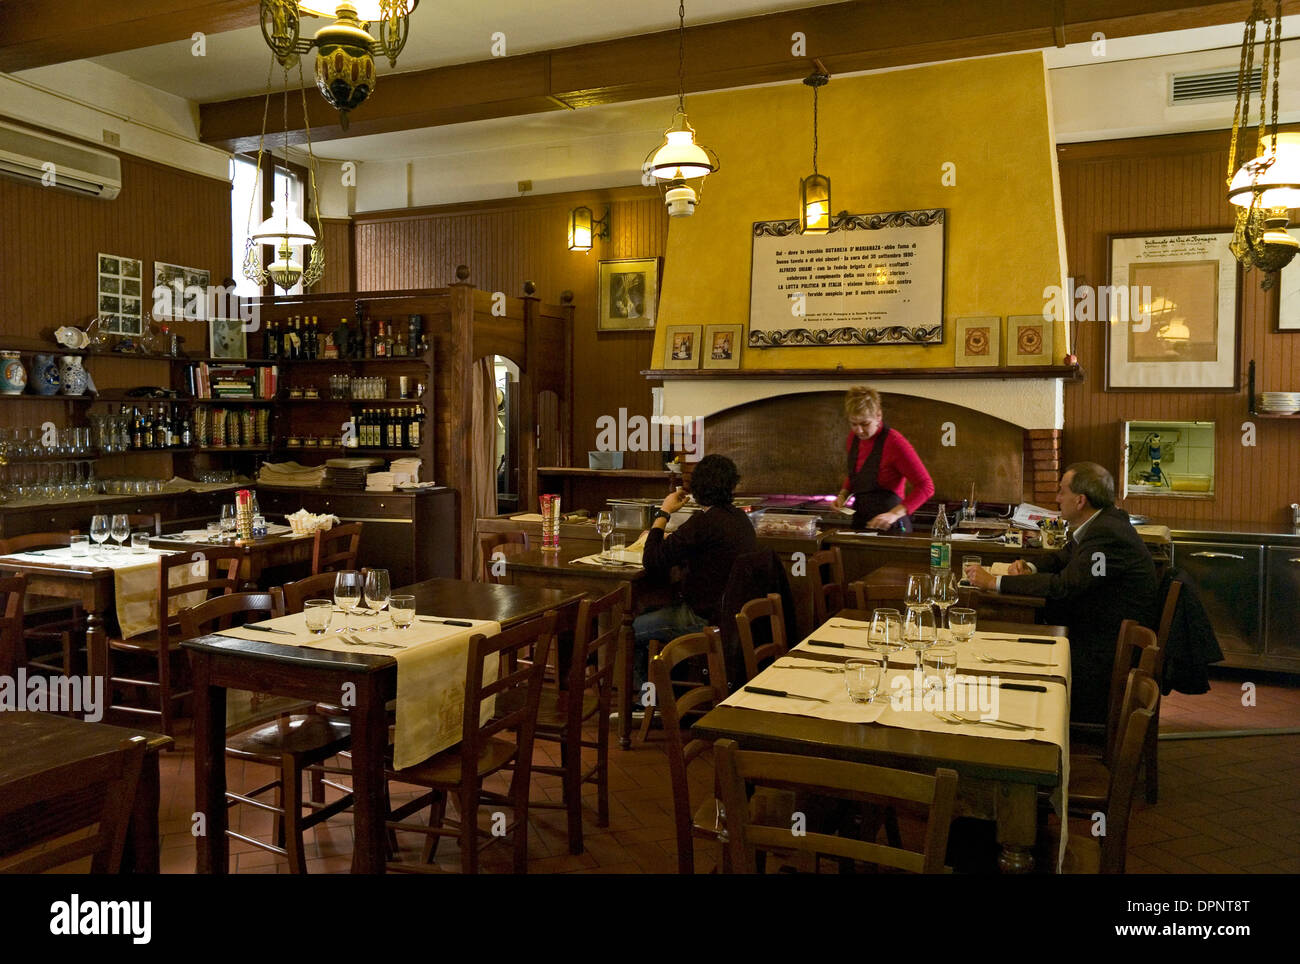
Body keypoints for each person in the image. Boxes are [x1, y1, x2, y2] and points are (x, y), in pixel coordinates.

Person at [964, 462, 1158, 723]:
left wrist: (994, 583)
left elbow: (1064, 586)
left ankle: (1026, 725)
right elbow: (1063, 558)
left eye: (1061, 491)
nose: (1057, 499)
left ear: (1080, 501)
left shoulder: (1107, 534)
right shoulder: (1101, 523)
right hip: (1096, 631)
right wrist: (1029, 565)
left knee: (1017, 656)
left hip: (1102, 649)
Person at [632, 453, 757, 697]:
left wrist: (664, 512)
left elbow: (653, 560)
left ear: (697, 487)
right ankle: (667, 695)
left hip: (703, 619)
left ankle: (646, 704)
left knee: (632, 629)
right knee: (650, 612)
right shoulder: (739, 519)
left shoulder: (704, 522)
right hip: (732, 617)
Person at [832, 386, 934, 533]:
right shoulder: (853, 439)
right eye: (853, 424)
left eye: (864, 424)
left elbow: (926, 486)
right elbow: (856, 475)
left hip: (892, 527)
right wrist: (842, 496)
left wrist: (894, 514)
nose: (859, 430)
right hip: (861, 521)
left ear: (878, 415)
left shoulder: (895, 442)